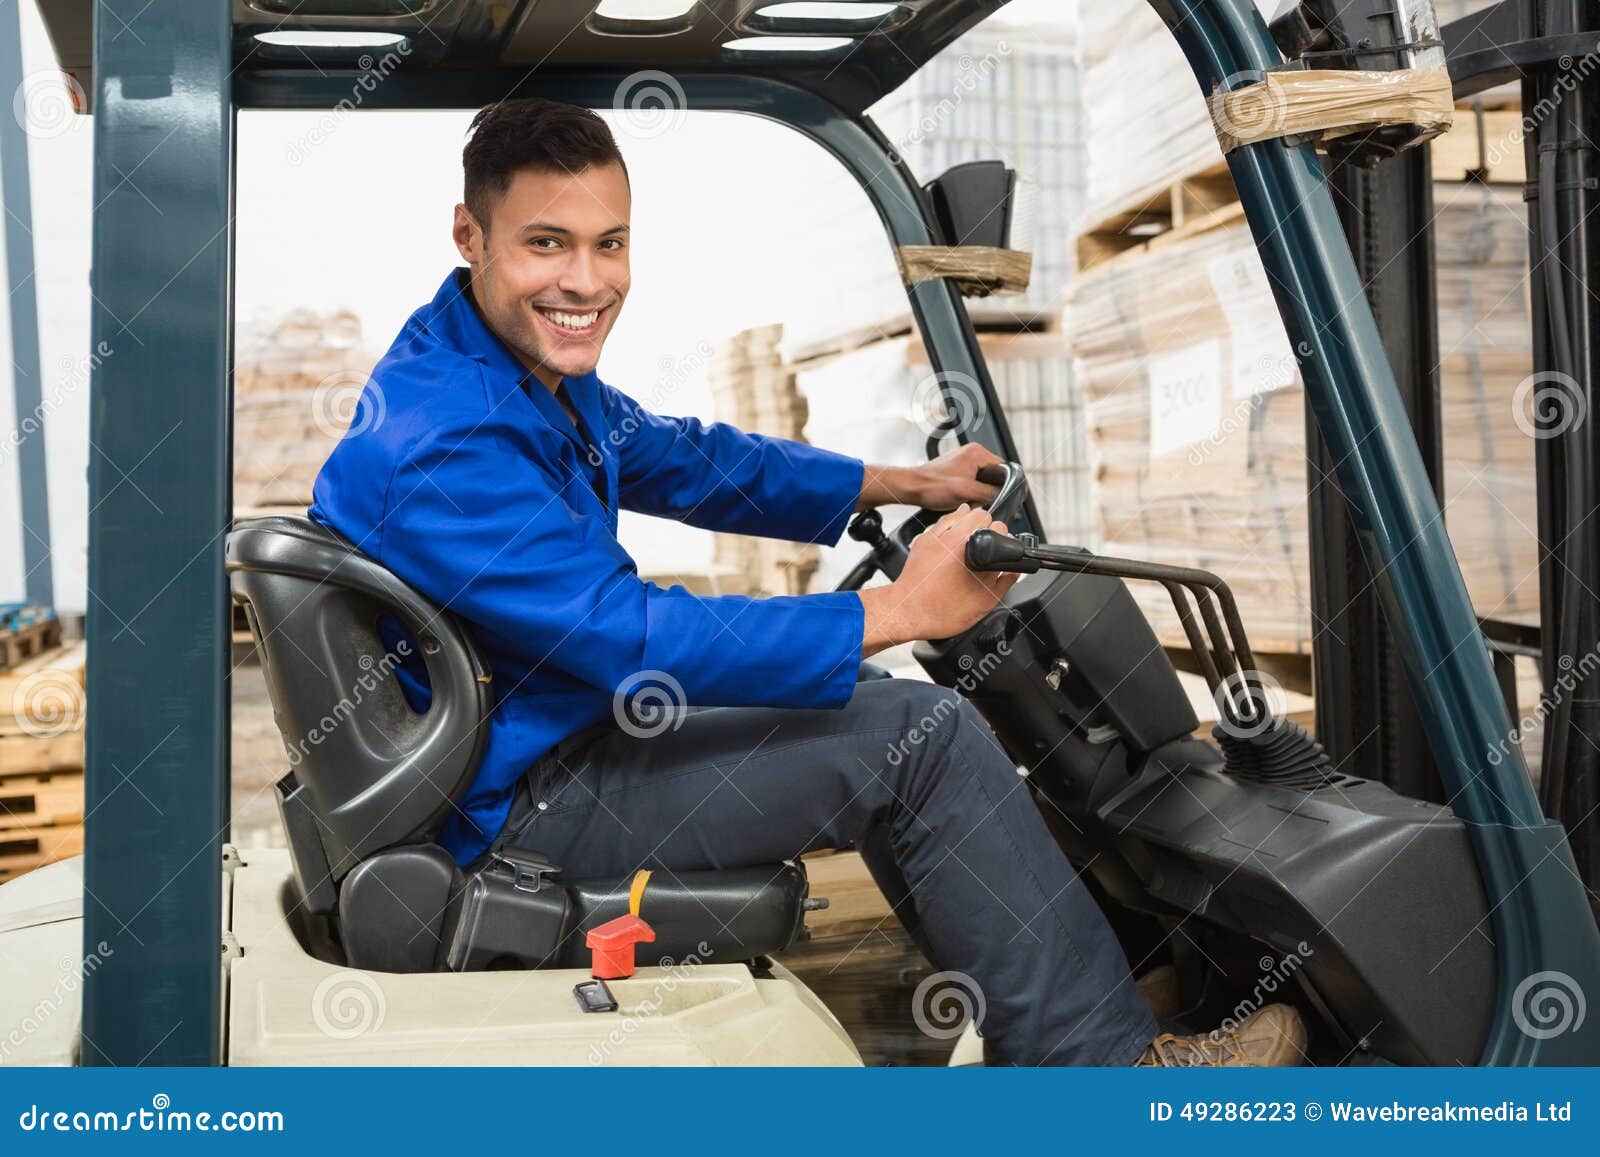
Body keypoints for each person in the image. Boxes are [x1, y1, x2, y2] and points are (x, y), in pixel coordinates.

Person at [310, 97, 1305, 1067]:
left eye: (609, 243)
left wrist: (903, 481)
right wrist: (899, 606)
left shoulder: (501, 367)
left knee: (867, 698)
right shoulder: (448, 440)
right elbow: (635, 638)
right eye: (546, 243)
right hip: (516, 801)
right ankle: (1096, 1068)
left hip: (544, 736)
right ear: (470, 236)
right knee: (924, 738)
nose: (586, 278)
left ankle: (1056, 1004)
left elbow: (690, 459)